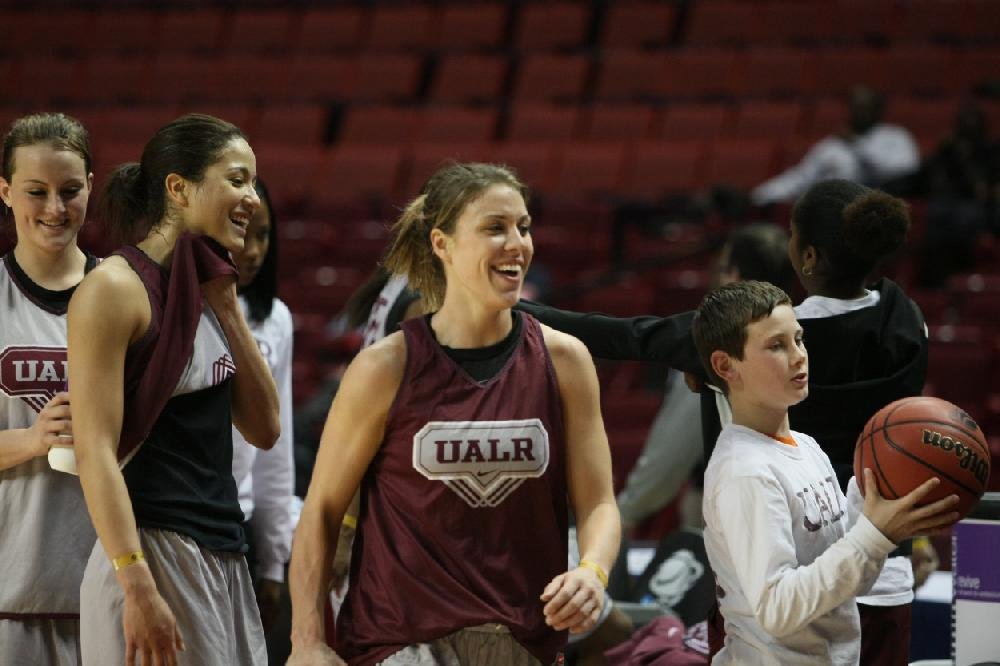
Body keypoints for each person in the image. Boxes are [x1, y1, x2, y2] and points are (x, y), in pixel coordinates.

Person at [520, 179, 935, 664]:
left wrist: (513, 311)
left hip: (788, 580)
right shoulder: (909, 321)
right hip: (883, 571)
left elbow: (622, 335)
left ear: (808, 258)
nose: (792, 352)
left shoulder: (757, 342)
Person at [287, 162, 621, 665]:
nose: (518, 244)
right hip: (402, 645)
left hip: (523, 645)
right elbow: (322, 512)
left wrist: (592, 571)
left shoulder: (565, 360)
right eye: (494, 228)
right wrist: (307, 642)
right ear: (441, 244)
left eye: (523, 227)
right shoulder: (384, 367)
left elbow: (599, 503)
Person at [67, 113, 280, 666]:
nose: (252, 198)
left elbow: (265, 428)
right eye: (237, 179)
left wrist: (228, 306)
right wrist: (135, 583)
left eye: (253, 182)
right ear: (179, 189)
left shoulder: (210, 290)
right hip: (152, 554)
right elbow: (95, 450)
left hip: (224, 550)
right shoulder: (115, 287)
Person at [693, 279, 957, 664]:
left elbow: (849, 580)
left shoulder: (806, 446)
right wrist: (873, 536)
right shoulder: (744, 471)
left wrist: (880, 516)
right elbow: (778, 609)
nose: (799, 355)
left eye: (798, 339)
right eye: (776, 345)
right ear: (725, 366)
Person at [616, 222, 795, 532]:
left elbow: (669, 458)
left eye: (722, 268)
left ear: (734, 276)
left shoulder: (716, 350)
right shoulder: (803, 340)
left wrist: (624, 515)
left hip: (734, 519)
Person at [0, 112, 99, 665]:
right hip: (9, 587)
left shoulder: (126, 296)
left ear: (91, 186)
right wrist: (35, 440)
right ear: (6, 191)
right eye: (36, 192)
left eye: (70, 190)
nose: (55, 209)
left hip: (114, 582)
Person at [230, 179, 295, 641]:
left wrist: (273, 561)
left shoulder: (275, 318)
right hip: (172, 526)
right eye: (241, 233)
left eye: (265, 235)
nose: (253, 251)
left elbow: (277, 448)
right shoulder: (157, 305)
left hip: (244, 530)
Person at [752, 86, 919, 206]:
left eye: (865, 108)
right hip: (831, 210)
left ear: (878, 110)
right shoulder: (832, 144)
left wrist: (857, 145)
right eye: (855, 107)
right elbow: (801, 177)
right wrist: (761, 195)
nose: (859, 113)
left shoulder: (895, 137)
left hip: (877, 209)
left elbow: (904, 171)